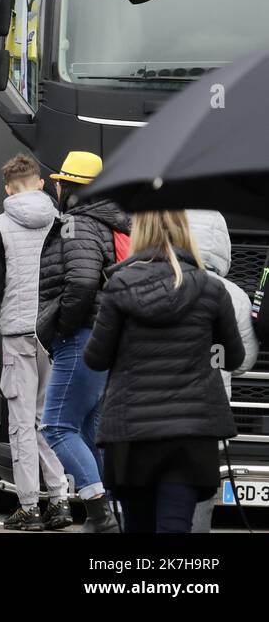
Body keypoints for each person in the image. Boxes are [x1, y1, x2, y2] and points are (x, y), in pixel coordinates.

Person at [85, 209, 245, 533]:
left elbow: (96, 358)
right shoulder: (211, 289)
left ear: (139, 232)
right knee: (176, 528)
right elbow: (233, 357)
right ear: (185, 231)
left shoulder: (119, 286)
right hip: (190, 433)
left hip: (132, 431)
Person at [36, 150, 129, 533]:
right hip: (104, 335)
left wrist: (63, 326)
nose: (56, 187)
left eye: (60, 182)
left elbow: (83, 282)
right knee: (90, 431)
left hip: (81, 335)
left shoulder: (77, 223)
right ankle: (115, 511)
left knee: (56, 425)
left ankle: (98, 509)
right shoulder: (113, 222)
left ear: (69, 187)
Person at [0, 154, 71, 531]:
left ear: (7, 189)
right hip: (56, 333)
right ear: (39, 183)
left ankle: (29, 506)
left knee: (19, 422)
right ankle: (61, 500)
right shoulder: (64, 222)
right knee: (48, 420)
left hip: (17, 333)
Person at [184, 210, 260, 532]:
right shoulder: (236, 297)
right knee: (201, 498)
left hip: (158, 420)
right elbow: (244, 361)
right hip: (212, 419)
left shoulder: (158, 282)